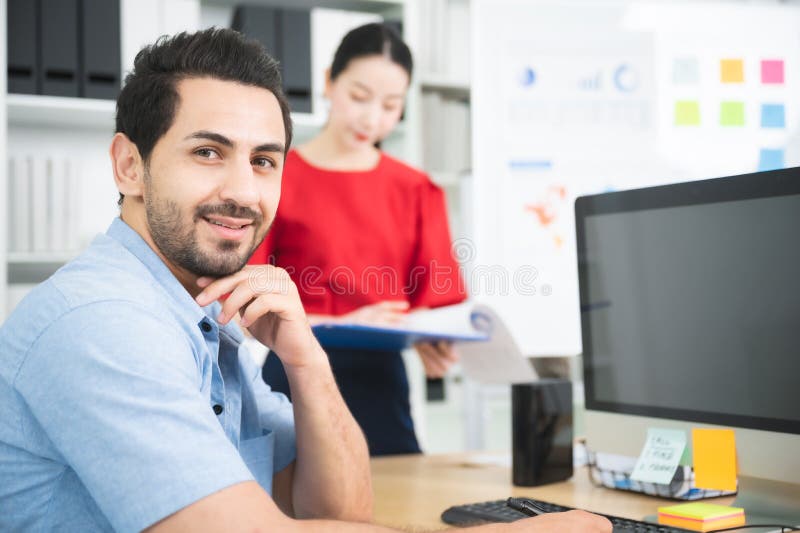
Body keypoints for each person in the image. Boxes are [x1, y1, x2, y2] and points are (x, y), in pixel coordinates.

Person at [0, 27, 611, 533]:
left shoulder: (208, 320)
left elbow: (339, 511)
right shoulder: (102, 321)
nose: (242, 191)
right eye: (208, 152)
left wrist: (308, 359)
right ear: (130, 166)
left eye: (264, 161)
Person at [249, 23, 464, 456]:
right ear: (329, 82)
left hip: (380, 386)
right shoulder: (273, 178)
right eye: (360, 97)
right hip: (292, 377)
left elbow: (439, 303)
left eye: (391, 105)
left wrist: (434, 341)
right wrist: (350, 324)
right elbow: (247, 302)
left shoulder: (417, 189)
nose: (372, 119)